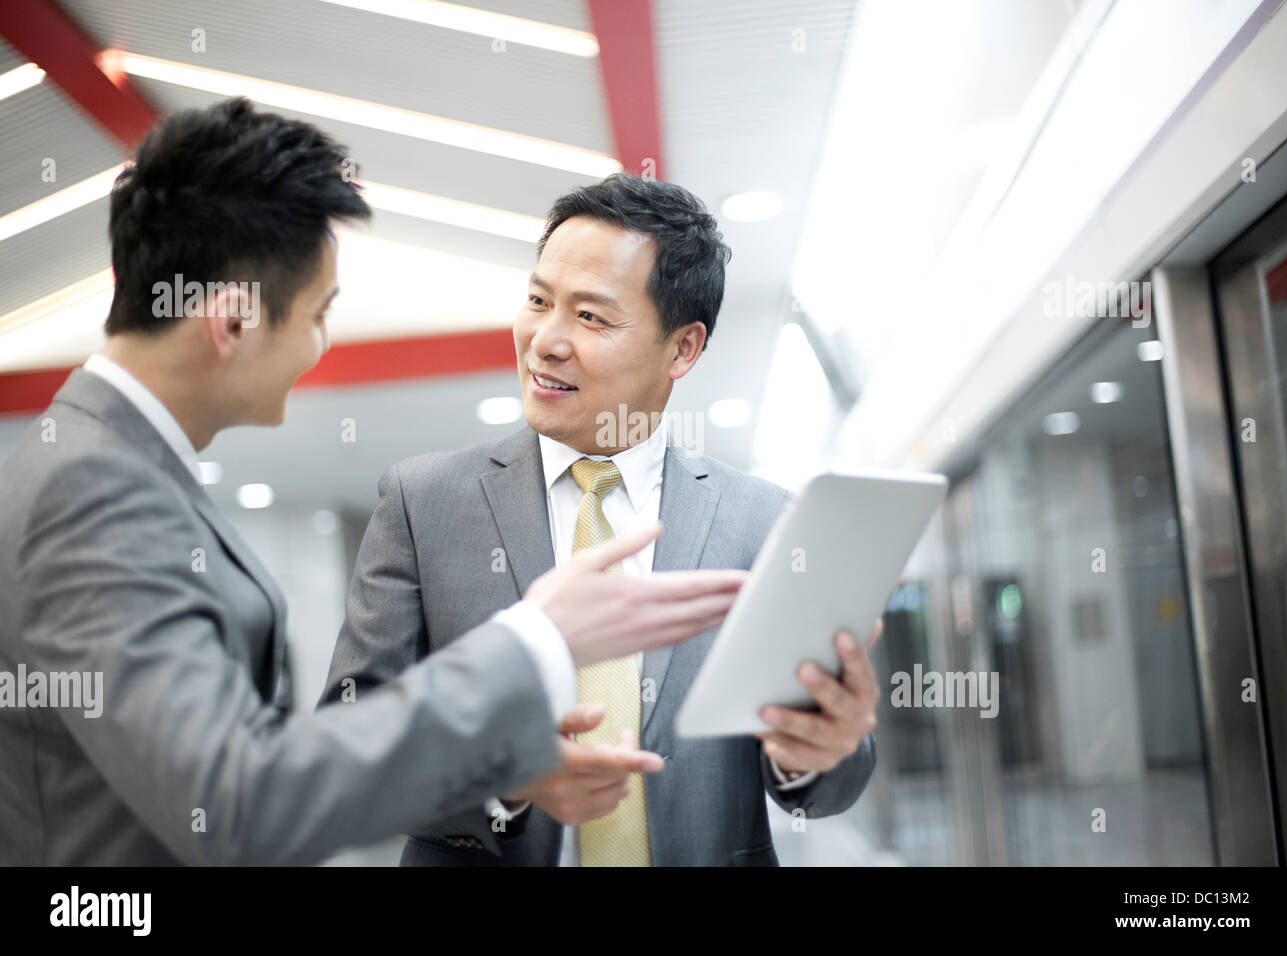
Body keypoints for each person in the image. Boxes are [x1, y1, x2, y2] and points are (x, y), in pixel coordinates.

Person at [0, 100, 745, 866]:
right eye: (320, 313)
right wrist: (537, 636)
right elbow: (234, 802)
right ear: (229, 323)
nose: (320, 346)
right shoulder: (91, 489)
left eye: (591, 316)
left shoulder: (104, 467)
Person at [320, 173, 881, 866]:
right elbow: (347, 743)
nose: (545, 341)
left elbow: (825, 782)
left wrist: (819, 754)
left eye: (591, 317)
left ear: (683, 349)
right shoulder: (423, 503)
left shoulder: (765, 522)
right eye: (537, 301)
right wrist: (503, 782)